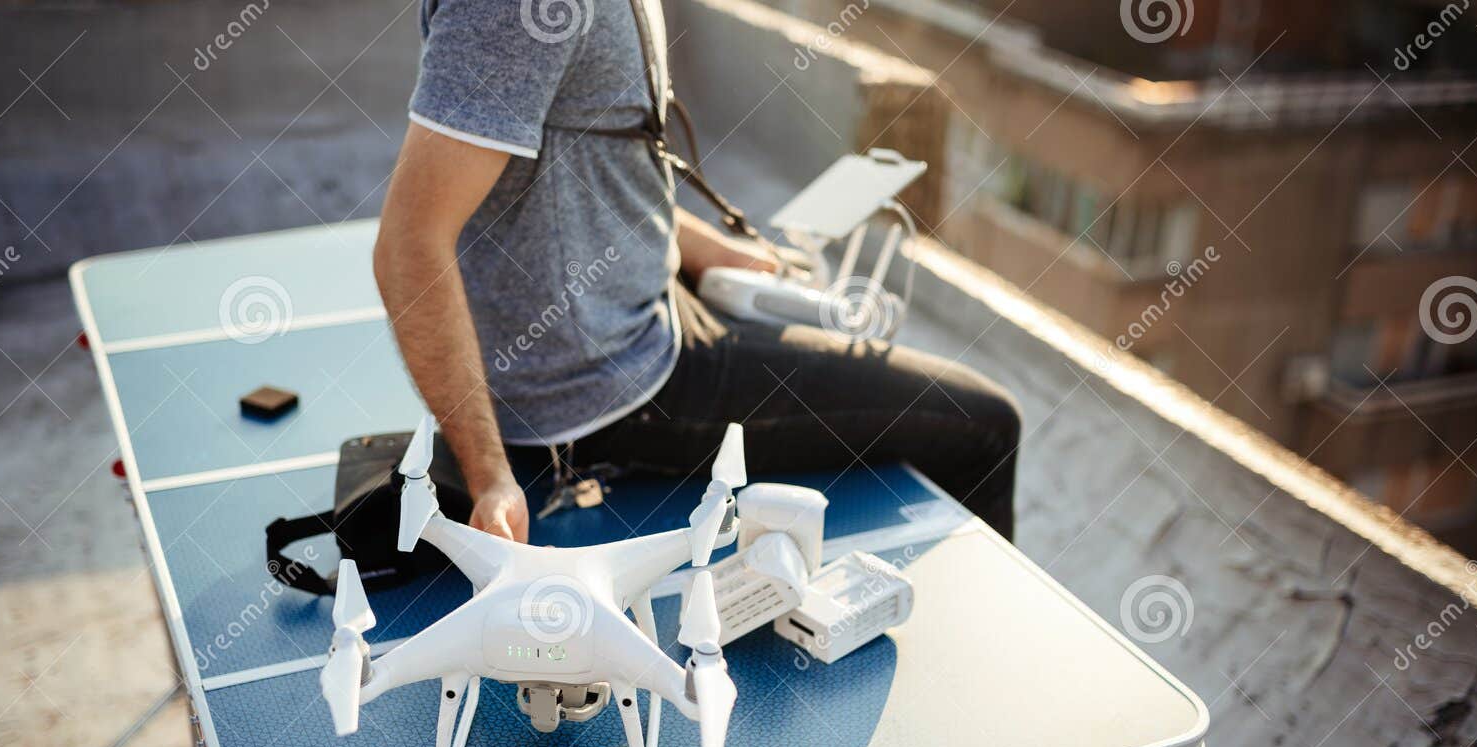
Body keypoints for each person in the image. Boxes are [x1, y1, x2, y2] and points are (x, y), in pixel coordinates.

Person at [374, 0, 1021, 545]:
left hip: (642, 311)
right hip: (609, 389)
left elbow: (587, 165)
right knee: (985, 425)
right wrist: (489, 472)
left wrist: (711, 248)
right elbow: (410, 243)